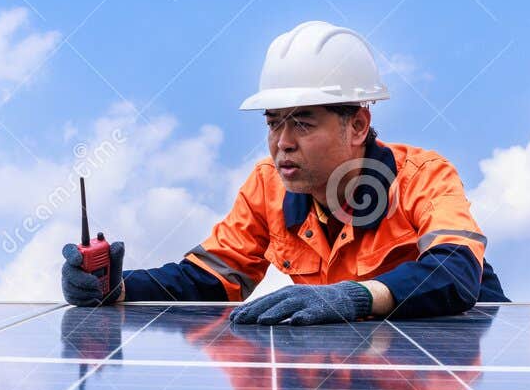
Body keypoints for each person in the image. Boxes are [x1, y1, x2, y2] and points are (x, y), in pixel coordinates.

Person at [61, 20, 507, 324]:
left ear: (357, 125)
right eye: (273, 123)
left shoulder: (423, 177)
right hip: (350, 370)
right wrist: (116, 288)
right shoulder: (267, 187)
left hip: (454, 361)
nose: (283, 142)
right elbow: (213, 279)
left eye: (303, 123)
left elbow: (457, 270)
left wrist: (355, 296)